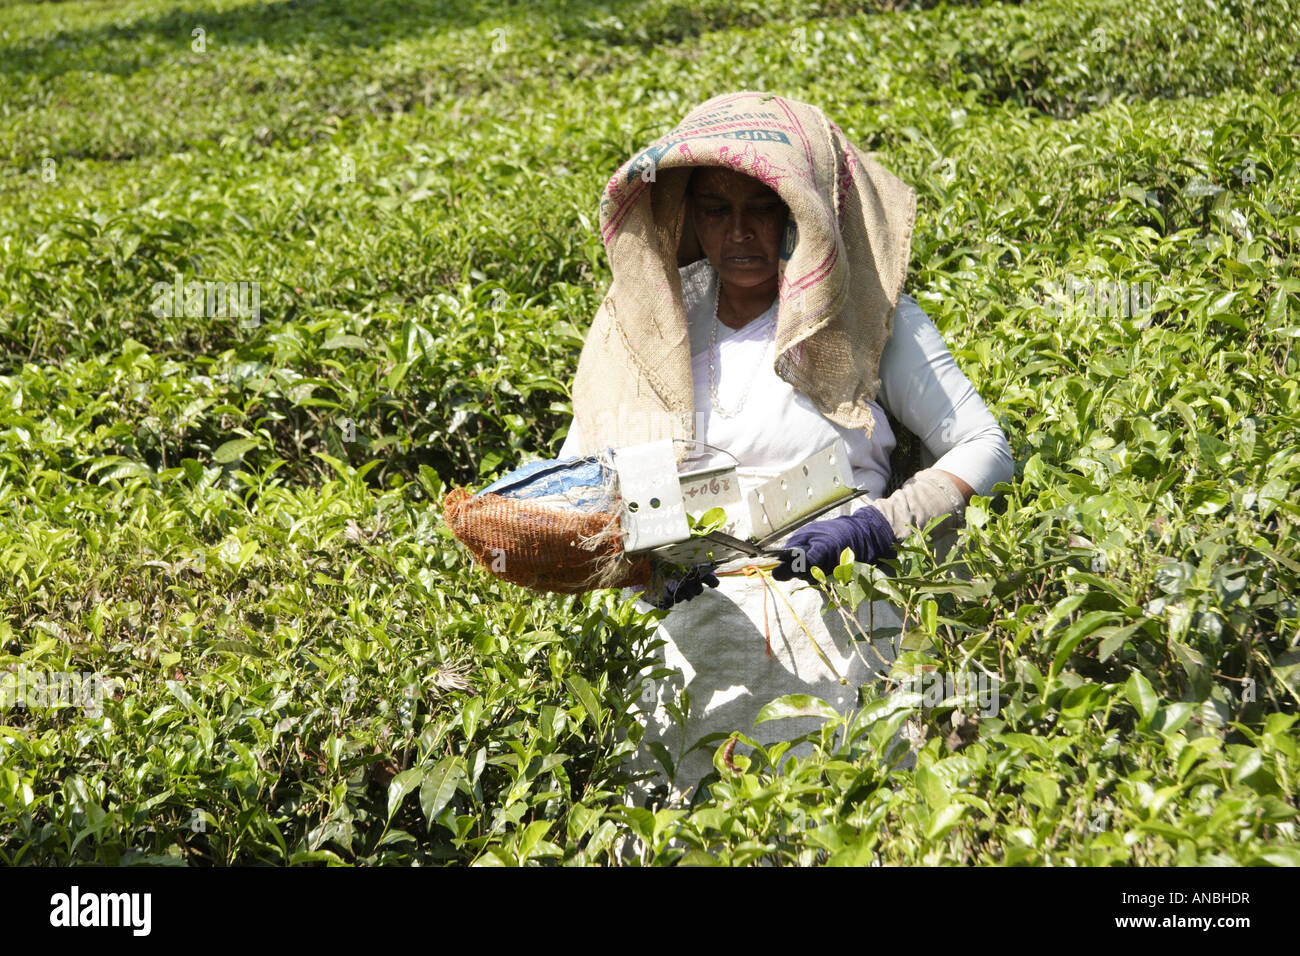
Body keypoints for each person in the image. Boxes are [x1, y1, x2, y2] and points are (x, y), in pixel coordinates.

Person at [556, 92, 1014, 803]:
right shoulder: (644, 325)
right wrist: (634, 562)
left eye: (761, 208)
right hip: (683, 654)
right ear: (685, 213)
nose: (739, 233)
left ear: (801, 212)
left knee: (841, 817)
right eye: (715, 208)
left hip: (837, 627)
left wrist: (882, 523)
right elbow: (576, 479)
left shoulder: (865, 315)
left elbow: (985, 445)